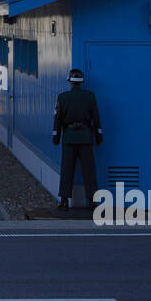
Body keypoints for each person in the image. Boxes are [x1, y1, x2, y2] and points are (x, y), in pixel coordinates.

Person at [51, 67, 102, 212]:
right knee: (89, 171)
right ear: (82, 81)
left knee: (67, 170)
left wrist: (56, 136)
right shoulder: (90, 96)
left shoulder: (62, 97)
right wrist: (99, 136)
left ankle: (65, 200)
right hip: (86, 137)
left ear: (69, 81)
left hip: (69, 137)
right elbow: (97, 118)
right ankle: (92, 201)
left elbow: (58, 119)